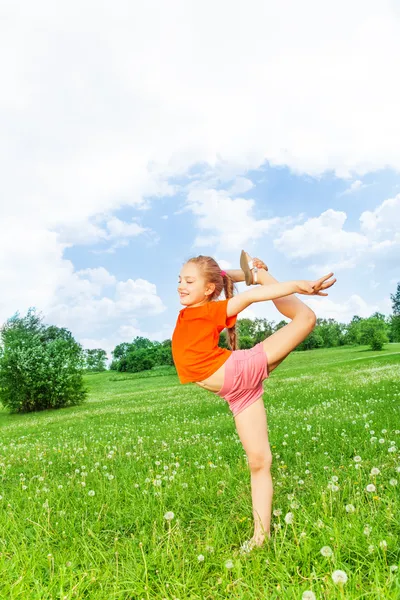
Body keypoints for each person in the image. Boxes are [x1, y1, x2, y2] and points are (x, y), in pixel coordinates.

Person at [171, 250, 336, 553]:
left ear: (207, 289)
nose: (181, 285)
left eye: (188, 280)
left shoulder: (210, 309)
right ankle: (261, 539)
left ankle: (263, 277)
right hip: (237, 391)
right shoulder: (199, 306)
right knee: (260, 462)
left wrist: (297, 284)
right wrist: (248, 273)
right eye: (179, 279)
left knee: (306, 318)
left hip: (240, 369)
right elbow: (222, 278)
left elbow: (247, 299)